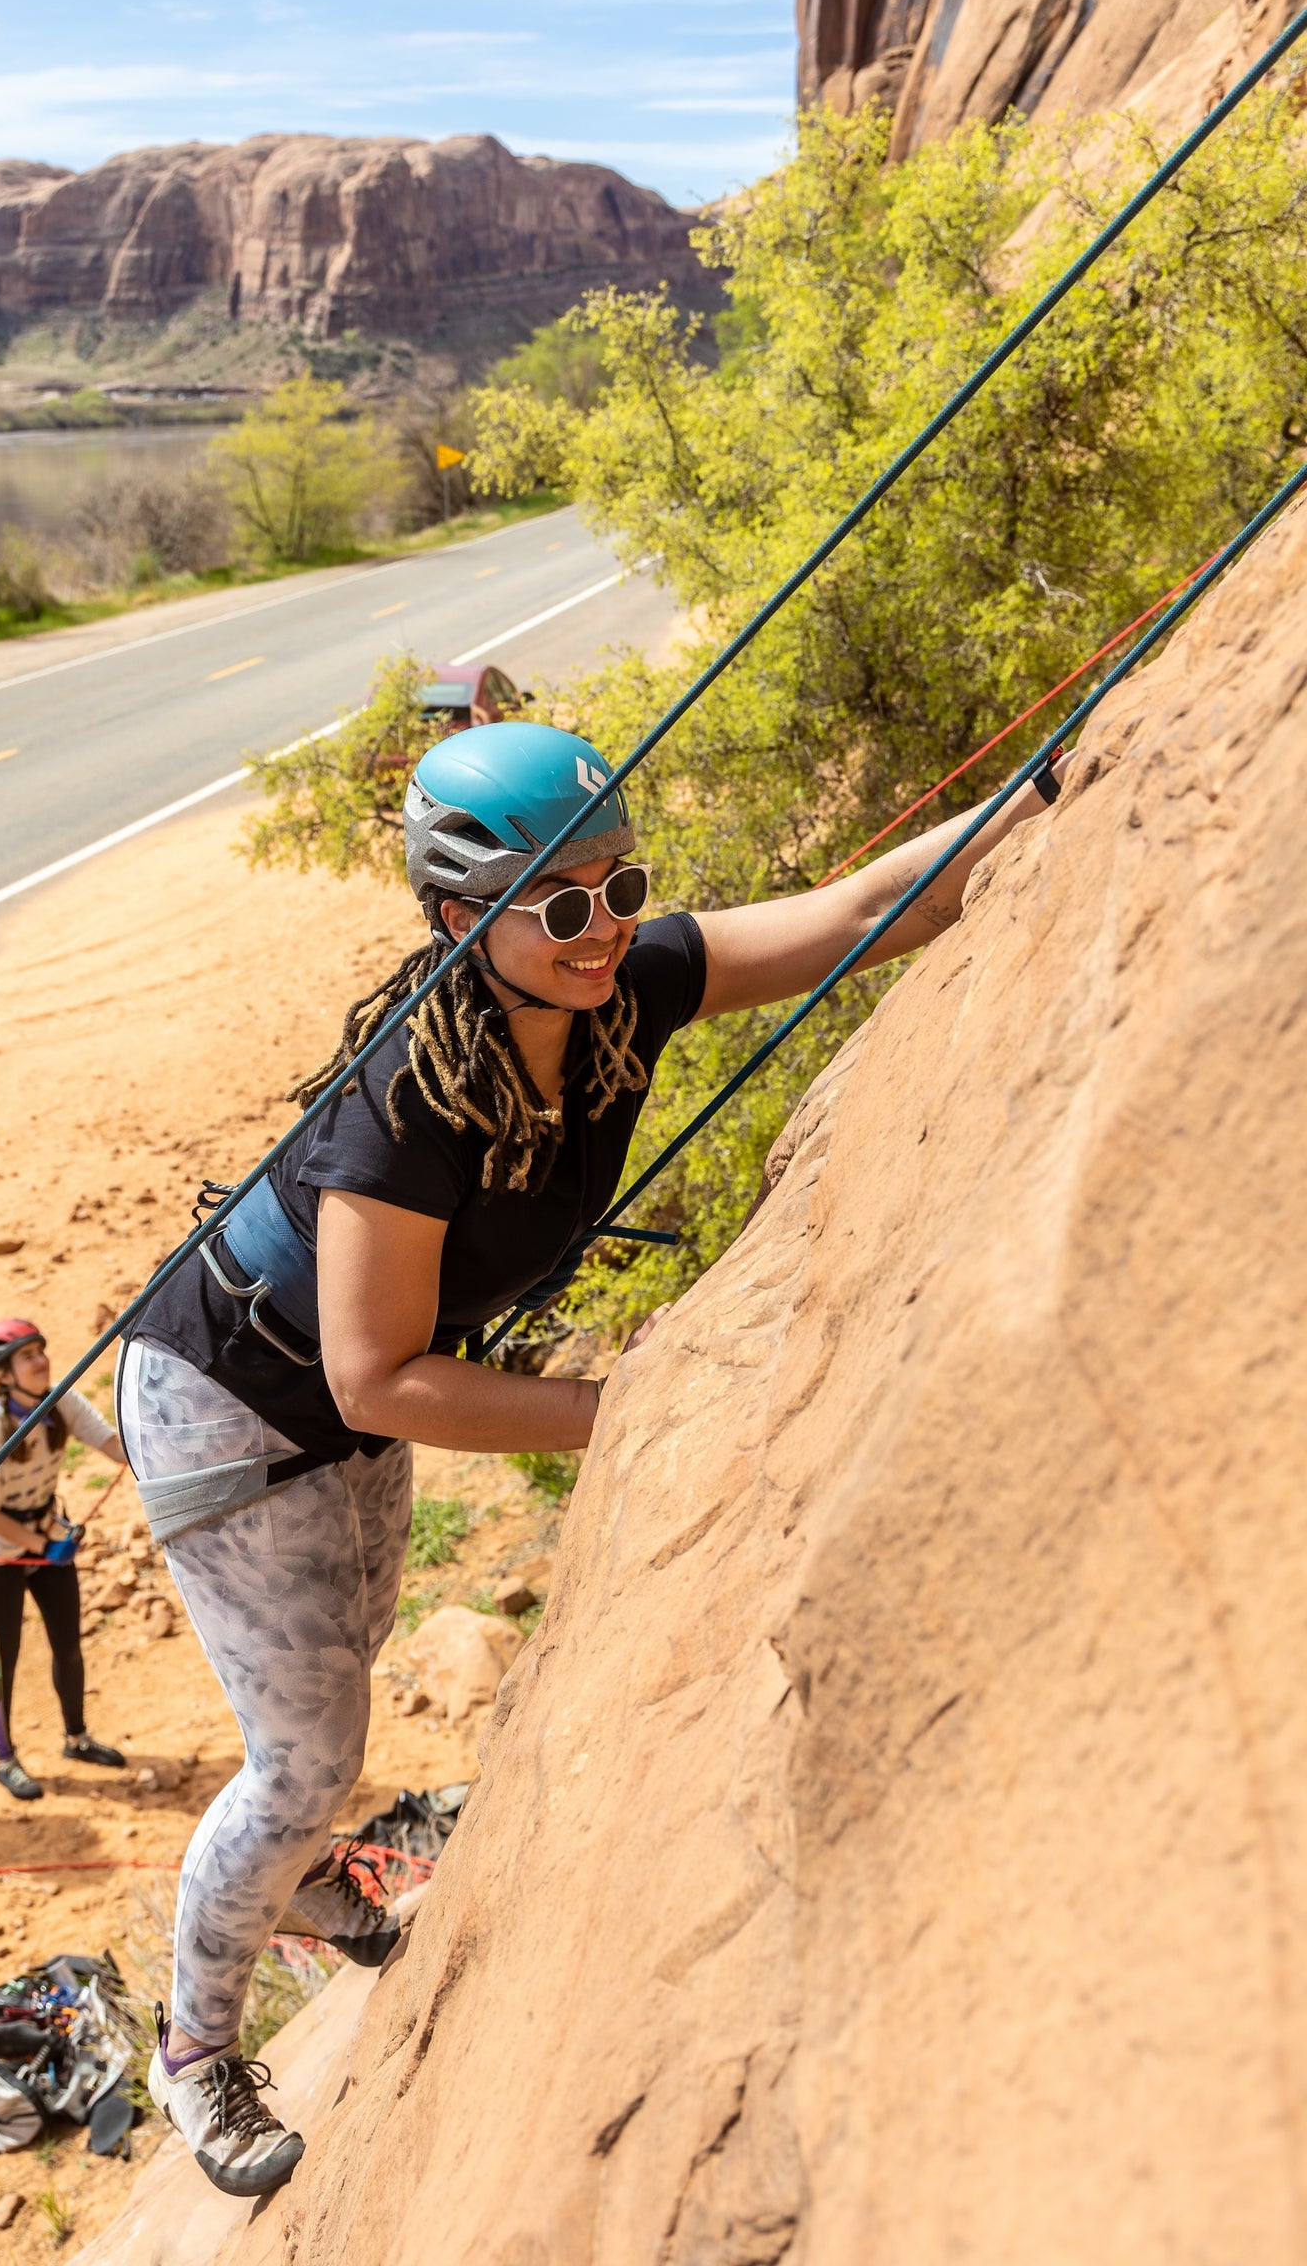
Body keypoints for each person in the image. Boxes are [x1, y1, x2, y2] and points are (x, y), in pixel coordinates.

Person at [118, 721, 1063, 2196]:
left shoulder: (624, 993)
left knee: (352, 1652)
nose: (601, 929)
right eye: (557, 905)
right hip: (232, 1400)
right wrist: (630, 1399)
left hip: (342, 1387)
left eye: (620, 888)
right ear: (459, 918)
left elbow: (852, 915)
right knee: (306, 1752)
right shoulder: (406, 1100)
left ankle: (296, 1876)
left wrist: (1042, 790)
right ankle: (193, 2053)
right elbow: (379, 1378)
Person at [0, 1319, 128, 1802]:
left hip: (46, 1540)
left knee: (67, 1645)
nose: (41, 1361)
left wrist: (154, 1445)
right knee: (3, 1658)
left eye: (40, 1350)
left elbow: (111, 1445)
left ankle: (76, 1739)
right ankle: (4, 1759)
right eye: (26, 1356)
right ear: (3, 1374)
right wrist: (43, 1545)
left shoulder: (61, 1402)